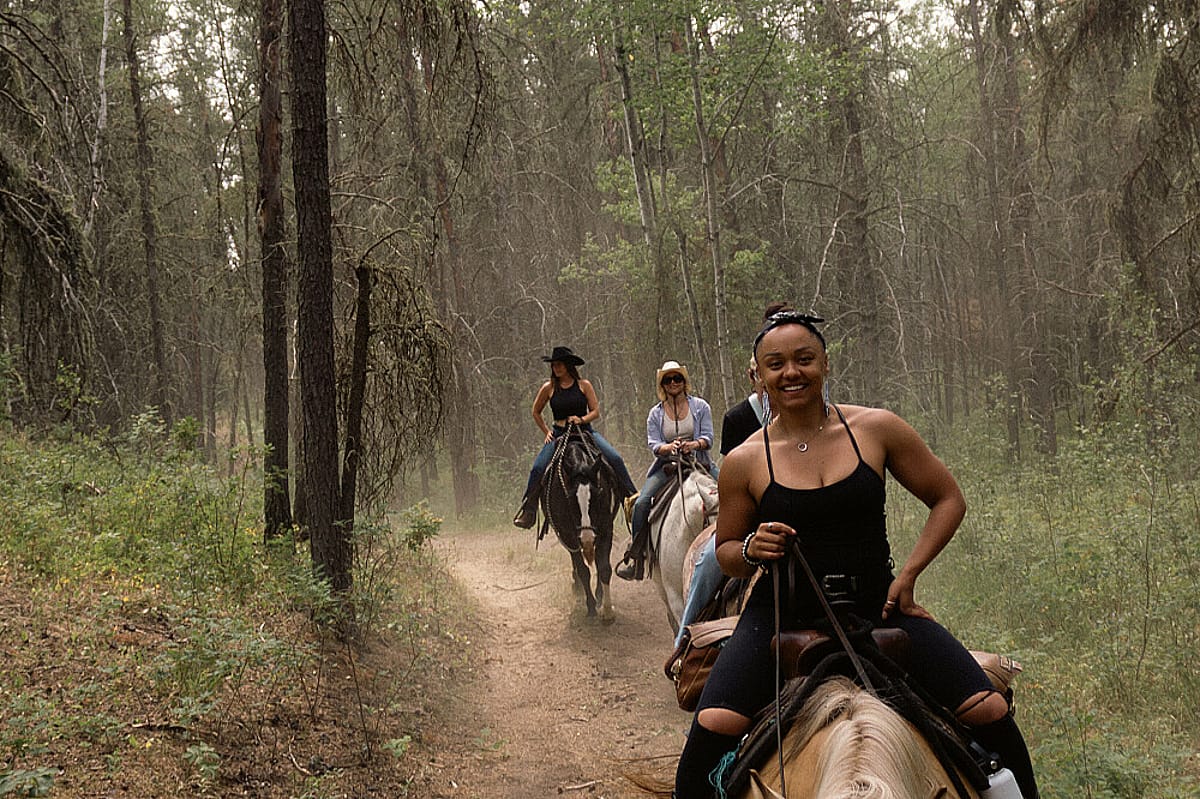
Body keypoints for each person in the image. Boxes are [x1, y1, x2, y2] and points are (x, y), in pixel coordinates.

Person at [673, 312, 1039, 799]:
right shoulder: (744, 459)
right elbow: (726, 552)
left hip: (877, 608)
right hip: (779, 616)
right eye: (776, 364)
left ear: (825, 363)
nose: (791, 372)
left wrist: (908, 576)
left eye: (804, 359)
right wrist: (749, 548)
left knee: (989, 711)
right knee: (713, 726)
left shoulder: (877, 428)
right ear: (759, 375)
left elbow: (948, 498)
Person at [512, 346, 638, 529]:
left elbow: (595, 411)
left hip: (584, 432)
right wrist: (546, 431)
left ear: (568, 365)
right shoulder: (549, 388)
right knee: (538, 468)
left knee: (615, 458)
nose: (556, 368)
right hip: (559, 434)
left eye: (559, 364)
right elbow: (536, 411)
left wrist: (581, 419)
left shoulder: (584, 385)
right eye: (554, 365)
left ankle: (632, 500)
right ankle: (528, 510)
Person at [616, 361, 717, 581]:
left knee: (729, 493)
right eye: (668, 380)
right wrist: (668, 447)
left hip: (699, 463)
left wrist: (694, 444)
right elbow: (654, 443)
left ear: (684, 381)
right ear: (662, 385)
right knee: (642, 503)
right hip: (667, 466)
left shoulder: (700, 407)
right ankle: (637, 557)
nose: (673, 383)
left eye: (677, 378)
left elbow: (708, 437)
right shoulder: (655, 413)